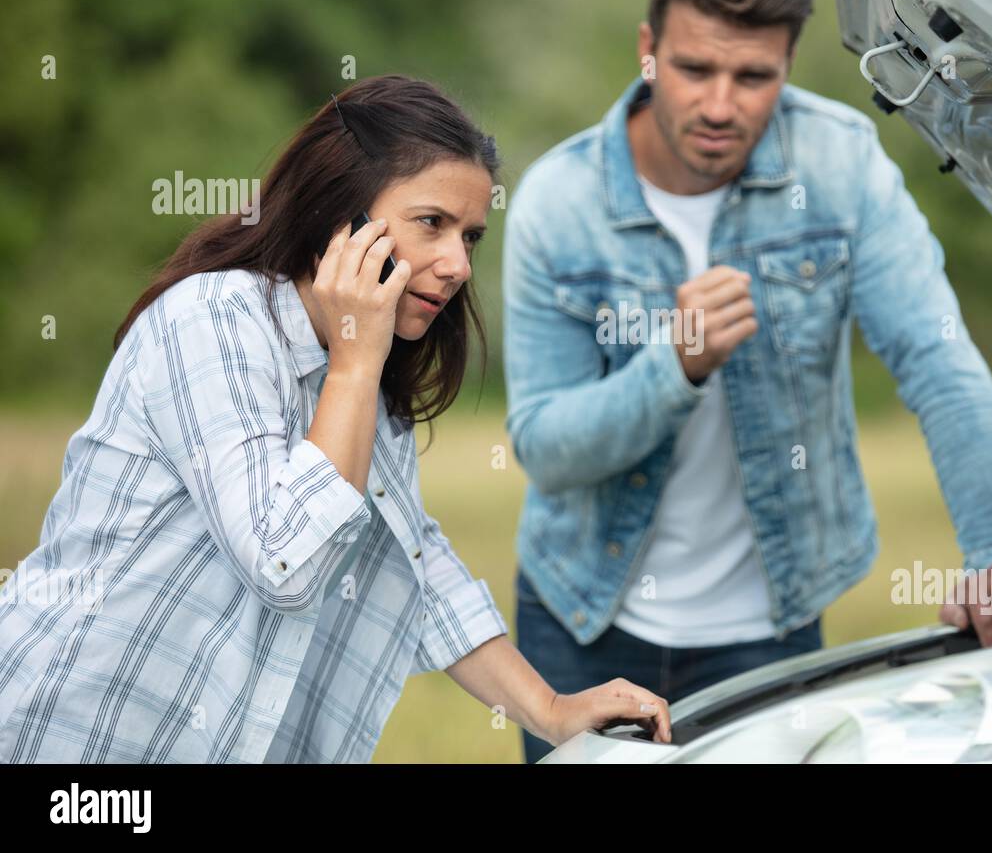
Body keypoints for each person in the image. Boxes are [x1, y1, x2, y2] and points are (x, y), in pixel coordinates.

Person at [502, 0, 992, 764]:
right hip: (581, 623)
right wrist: (673, 367)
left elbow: (935, 356)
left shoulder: (841, 165)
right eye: (694, 68)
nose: (720, 105)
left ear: (789, 64)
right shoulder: (557, 202)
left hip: (773, 627)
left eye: (753, 76)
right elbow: (544, 447)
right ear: (649, 48)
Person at [0, 74, 669, 763]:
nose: (458, 265)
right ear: (340, 218)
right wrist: (355, 364)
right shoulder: (213, 321)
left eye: (470, 236)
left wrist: (552, 711)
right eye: (432, 224)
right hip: (73, 743)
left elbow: (418, 563)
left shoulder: (360, 372)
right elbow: (284, 563)